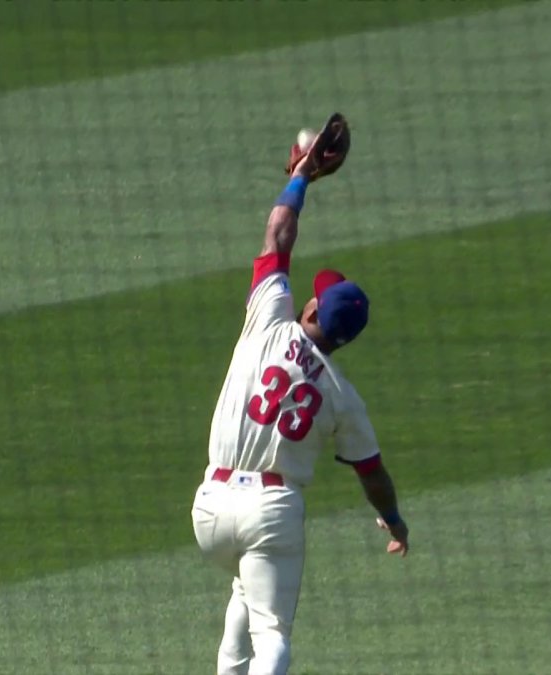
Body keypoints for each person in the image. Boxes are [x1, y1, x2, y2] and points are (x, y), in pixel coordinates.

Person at [190, 114, 410, 675]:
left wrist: (301, 178)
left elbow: (278, 234)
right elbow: (373, 473)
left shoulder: (270, 318)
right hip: (270, 512)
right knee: (274, 636)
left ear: (310, 309)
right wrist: (392, 519)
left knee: (245, 599)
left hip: (210, 511)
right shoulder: (341, 396)